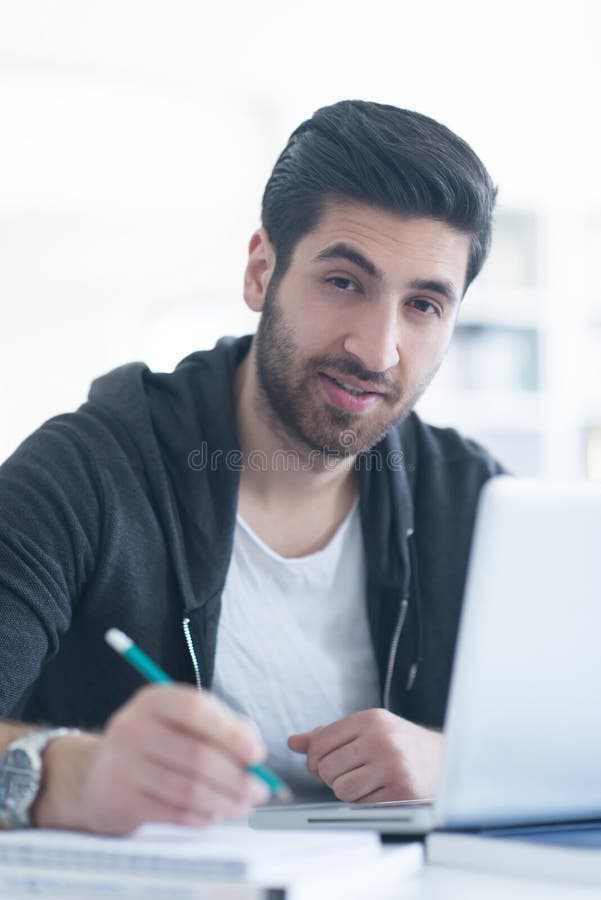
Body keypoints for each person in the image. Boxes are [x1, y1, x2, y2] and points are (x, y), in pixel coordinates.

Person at [0, 99, 503, 834]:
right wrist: (69, 777)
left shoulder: (475, 501)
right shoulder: (84, 475)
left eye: (423, 304)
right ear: (262, 272)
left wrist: (456, 763)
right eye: (343, 282)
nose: (376, 349)